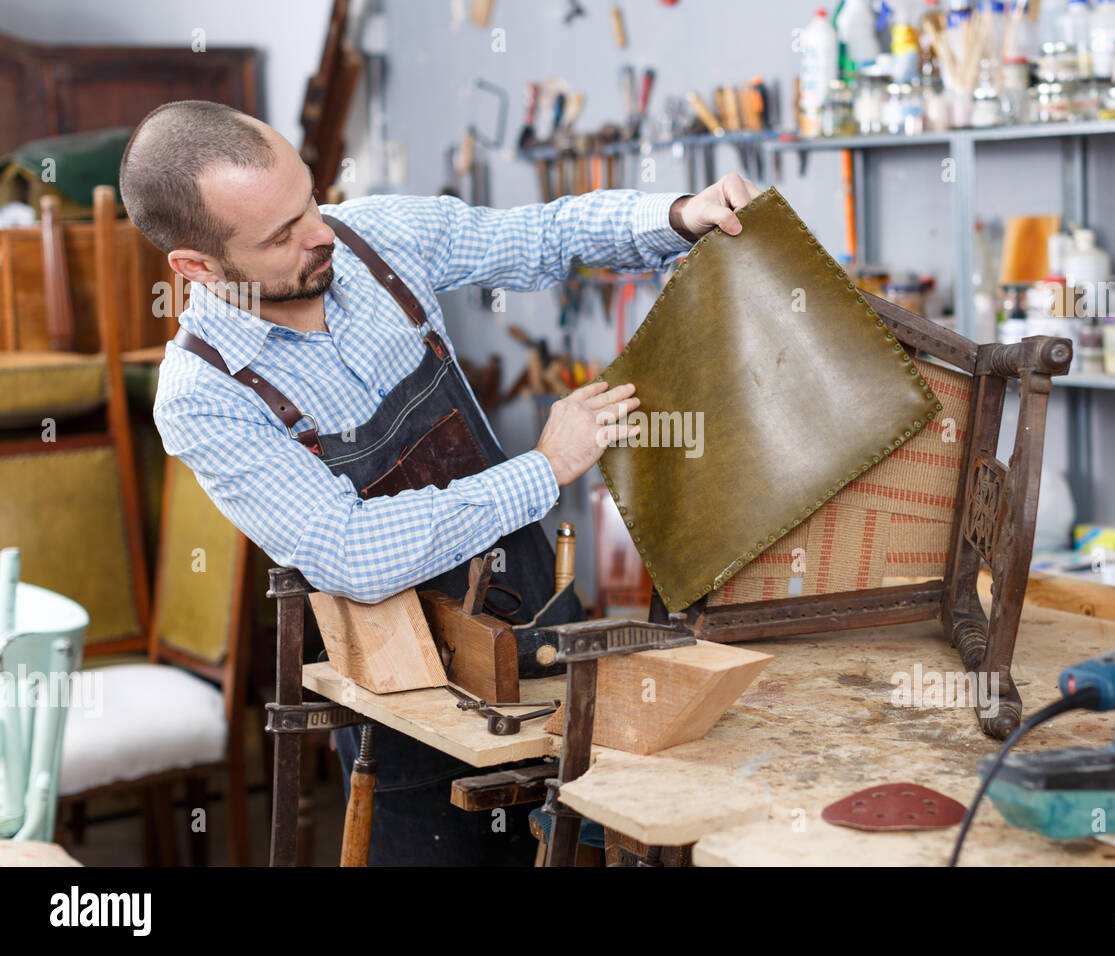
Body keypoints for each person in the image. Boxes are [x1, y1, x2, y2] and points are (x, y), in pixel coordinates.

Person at [118, 99, 762, 864]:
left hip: (539, 625)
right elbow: (352, 551)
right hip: (406, 698)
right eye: (281, 236)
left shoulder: (373, 238)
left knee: (591, 841)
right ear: (194, 266)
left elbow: (539, 235)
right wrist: (545, 468)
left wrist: (681, 213)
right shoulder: (203, 396)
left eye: (310, 200)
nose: (320, 234)